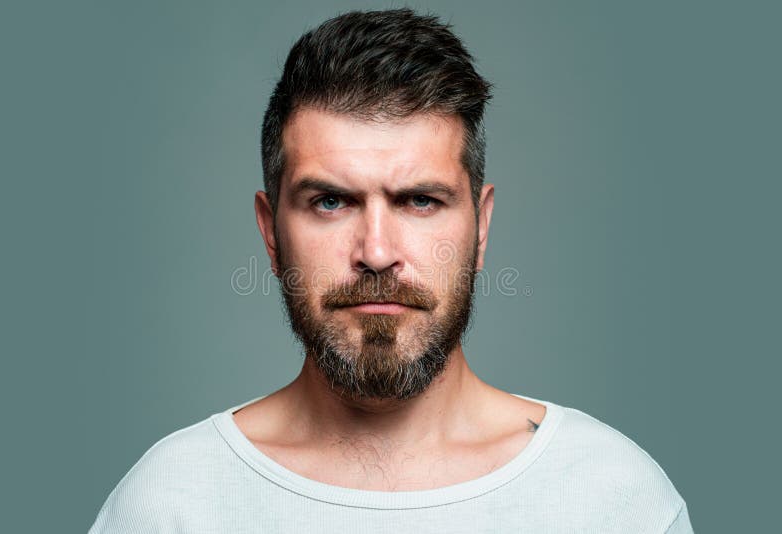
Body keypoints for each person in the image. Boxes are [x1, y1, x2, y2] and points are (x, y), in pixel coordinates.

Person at [89, 8, 692, 533]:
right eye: (330, 201)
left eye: (419, 201)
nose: (376, 252)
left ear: (480, 228)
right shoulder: (170, 505)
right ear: (270, 232)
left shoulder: (613, 502)